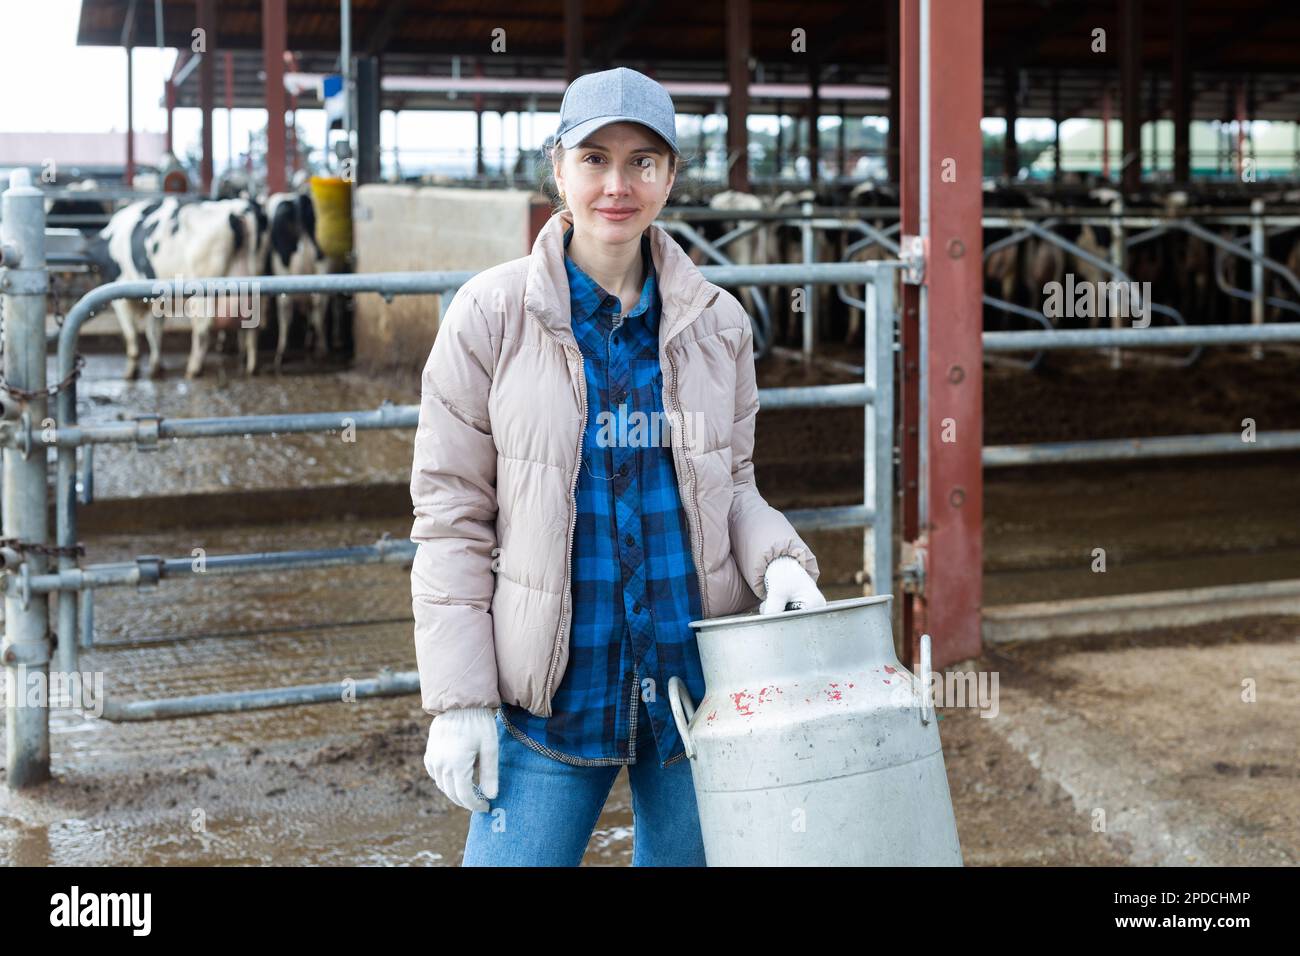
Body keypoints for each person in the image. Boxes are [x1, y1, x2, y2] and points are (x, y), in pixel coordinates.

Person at [411, 66, 826, 867]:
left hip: (695, 692)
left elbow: (732, 486)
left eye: (643, 161)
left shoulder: (718, 324)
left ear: (670, 176)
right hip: (552, 698)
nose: (617, 182)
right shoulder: (489, 318)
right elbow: (453, 515)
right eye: (594, 157)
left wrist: (778, 561)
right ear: (557, 168)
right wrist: (459, 701)